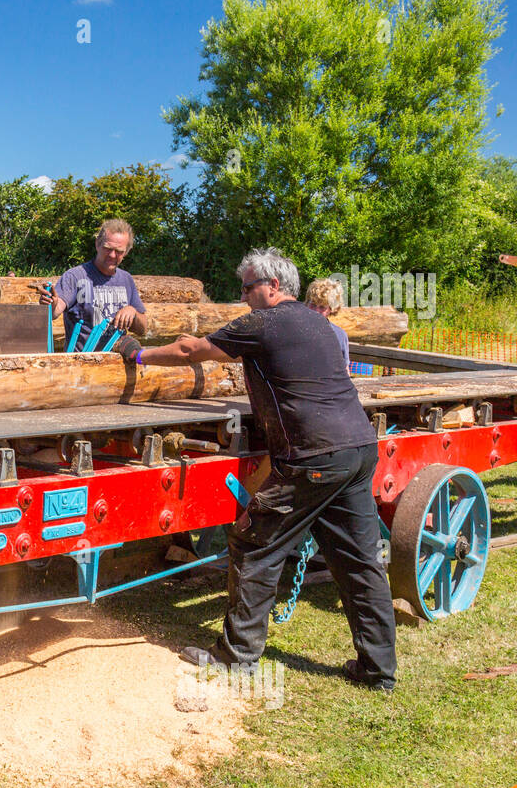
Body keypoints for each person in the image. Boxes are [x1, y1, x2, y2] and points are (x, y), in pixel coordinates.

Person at [128, 247, 397, 691]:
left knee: (254, 543)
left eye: (248, 287)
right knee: (360, 562)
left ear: (274, 286)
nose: (242, 296)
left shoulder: (264, 322)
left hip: (311, 459)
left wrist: (139, 356)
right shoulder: (321, 323)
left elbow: (190, 349)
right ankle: (378, 671)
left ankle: (237, 657)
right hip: (357, 449)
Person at [40, 218, 148, 358]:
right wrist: (51, 304)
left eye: (119, 251)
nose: (112, 255)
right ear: (97, 244)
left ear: (127, 251)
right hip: (82, 366)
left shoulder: (126, 279)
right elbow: (54, 311)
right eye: (107, 248)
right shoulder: (76, 276)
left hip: (116, 366)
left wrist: (133, 312)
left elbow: (143, 329)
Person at [305, 278, 351, 375]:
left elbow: (345, 370)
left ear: (332, 309)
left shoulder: (339, 335)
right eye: (312, 305)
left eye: (322, 307)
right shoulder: (296, 330)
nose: (316, 311)